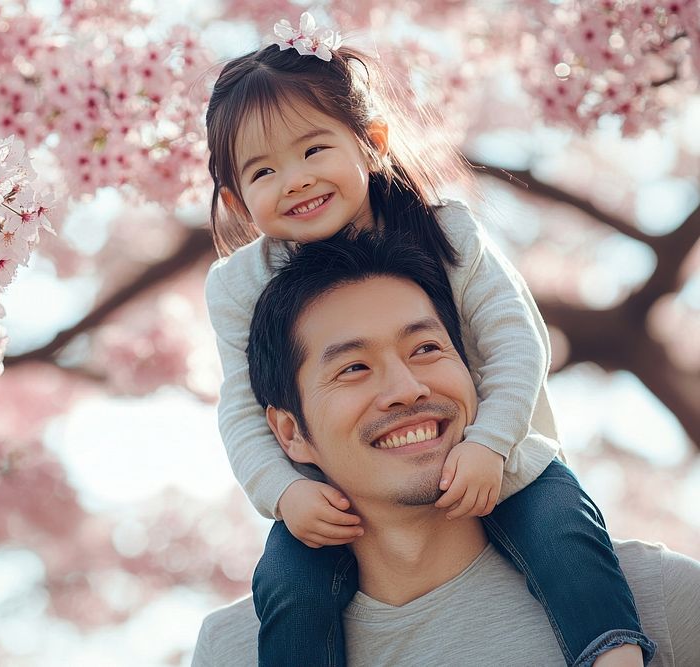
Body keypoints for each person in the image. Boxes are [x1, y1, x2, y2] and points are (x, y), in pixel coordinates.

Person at [203, 12, 653, 667]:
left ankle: (610, 653)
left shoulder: (449, 233)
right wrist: (284, 491)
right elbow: (244, 408)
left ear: (372, 142)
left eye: (312, 149)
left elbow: (517, 343)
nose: (295, 178)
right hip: (339, 497)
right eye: (263, 171)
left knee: (562, 531)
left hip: (498, 453)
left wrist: (490, 444)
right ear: (240, 203)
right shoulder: (240, 285)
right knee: (288, 583)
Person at [193, 230, 700, 666]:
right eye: (353, 368)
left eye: (427, 348)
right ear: (289, 432)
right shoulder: (233, 652)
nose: (407, 388)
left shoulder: (662, 599)